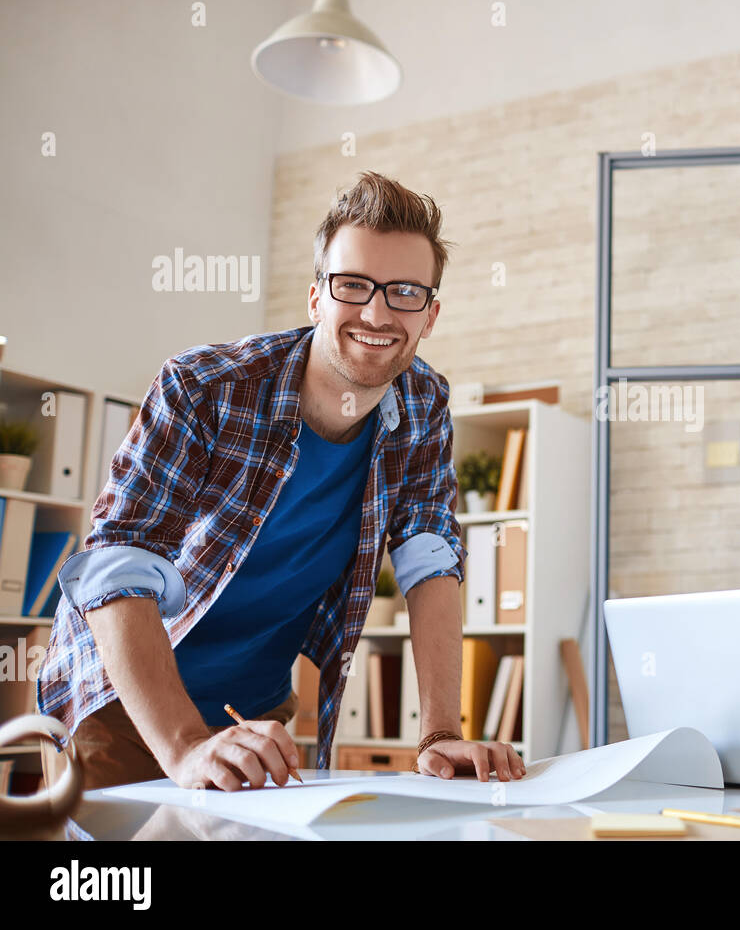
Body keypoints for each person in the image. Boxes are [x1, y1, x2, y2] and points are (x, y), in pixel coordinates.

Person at [38, 171, 525, 792]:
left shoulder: (424, 403)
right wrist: (185, 744)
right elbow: (116, 566)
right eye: (354, 285)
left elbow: (431, 558)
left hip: (254, 712)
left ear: (430, 315)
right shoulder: (205, 387)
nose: (377, 312)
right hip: (126, 708)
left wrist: (439, 735)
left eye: (404, 291)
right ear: (316, 297)